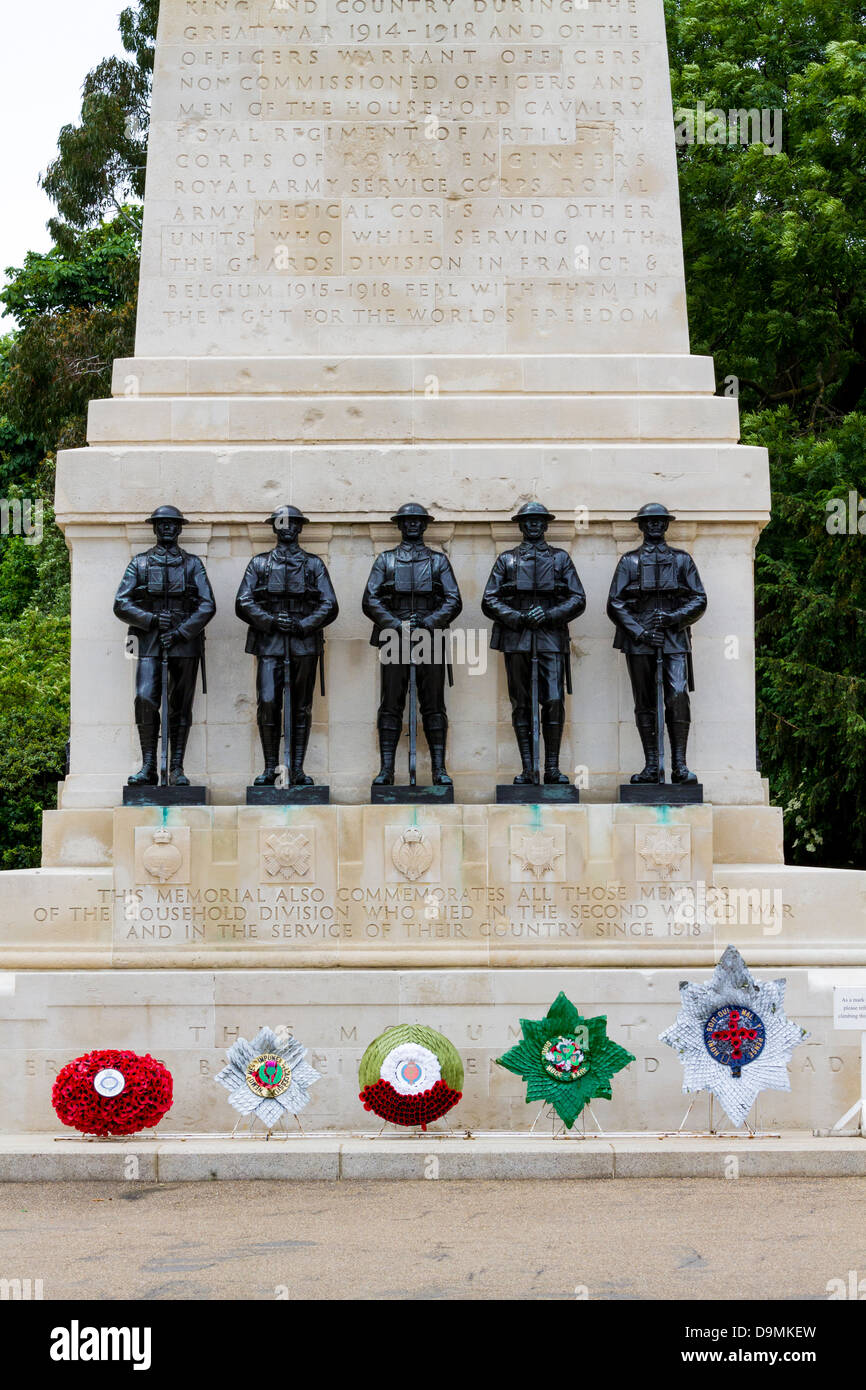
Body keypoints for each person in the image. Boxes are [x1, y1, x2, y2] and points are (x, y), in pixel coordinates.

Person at [482, 501, 586, 784]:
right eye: (528, 521)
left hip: (551, 638)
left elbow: (578, 598)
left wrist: (550, 614)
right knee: (522, 703)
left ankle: (551, 767)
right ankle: (529, 768)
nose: (534, 525)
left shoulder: (560, 559)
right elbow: (489, 599)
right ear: (520, 525)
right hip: (517, 639)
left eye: (539, 520)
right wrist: (518, 617)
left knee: (553, 700)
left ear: (546, 524)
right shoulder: (507, 560)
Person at [235, 505, 338, 786]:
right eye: (282, 523)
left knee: (301, 707)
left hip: (303, 643)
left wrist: (302, 624)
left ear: (300, 528)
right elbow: (243, 602)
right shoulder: (259, 564)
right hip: (269, 643)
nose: (287, 528)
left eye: (293, 523)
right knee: (268, 703)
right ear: (274, 527)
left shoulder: (314, 564)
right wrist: (270, 620)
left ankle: (296, 768)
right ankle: (271, 768)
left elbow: (329, 604)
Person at [114, 505, 215, 786]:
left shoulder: (193, 564)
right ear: (155, 528)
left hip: (185, 643)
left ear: (180, 528)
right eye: (162, 524)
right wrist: (152, 619)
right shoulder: (140, 563)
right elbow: (121, 604)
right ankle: (148, 765)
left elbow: (207, 604)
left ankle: (176, 768)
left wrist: (182, 632)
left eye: (172, 523)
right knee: (145, 699)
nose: (167, 528)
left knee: (181, 705)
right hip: (147, 642)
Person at [606, 502, 707, 784]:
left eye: (659, 521)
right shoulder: (629, 561)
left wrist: (674, 618)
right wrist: (640, 632)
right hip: (639, 640)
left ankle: (680, 765)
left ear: (666, 525)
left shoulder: (681, 560)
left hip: (673, 638)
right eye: (648, 521)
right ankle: (652, 765)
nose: (654, 525)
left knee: (677, 696)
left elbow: (699, 599)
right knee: (645, 701)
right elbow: (615, 603)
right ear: (640, 525)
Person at [362, 502, 462, 786]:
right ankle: (386, 770)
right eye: (408, 521)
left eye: (418, 521)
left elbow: (453, 600)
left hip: (430, 636)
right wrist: (396, 624)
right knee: (391, 703)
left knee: (433, 704)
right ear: (400, 525)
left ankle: (439, 769)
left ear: (425, 524)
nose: (413, 525)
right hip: (394, 637)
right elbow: (371, 599)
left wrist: (429, 622)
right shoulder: (386, 560)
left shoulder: (438, 561)